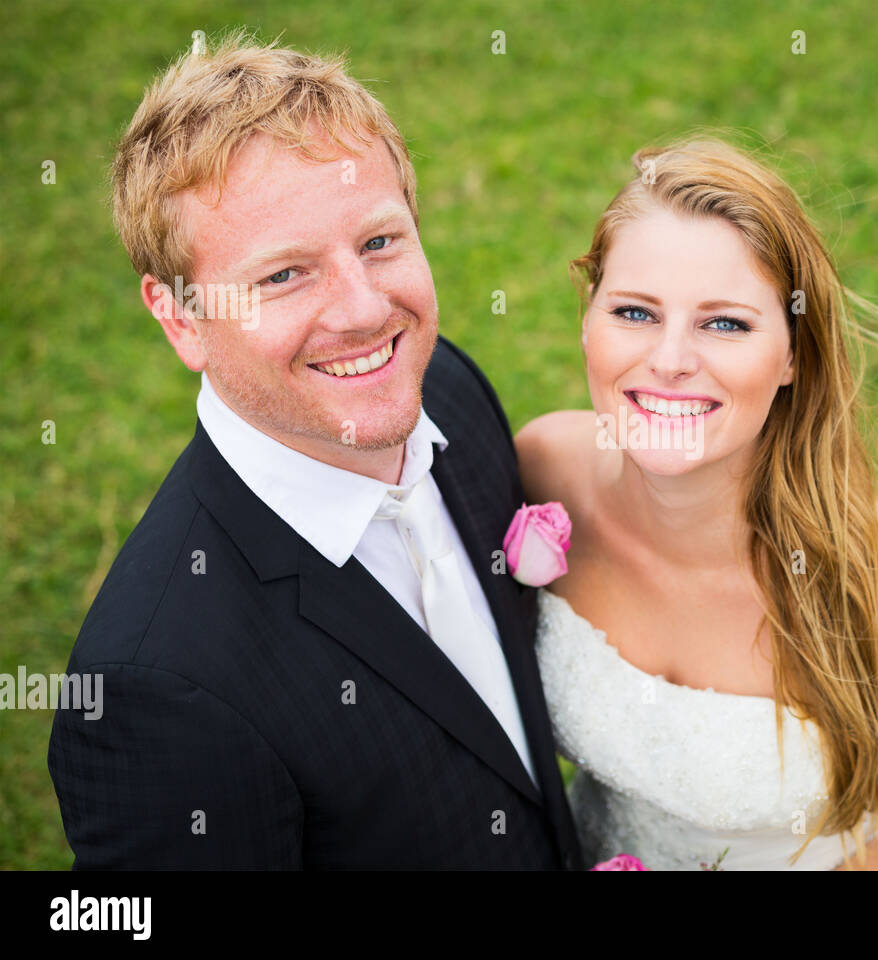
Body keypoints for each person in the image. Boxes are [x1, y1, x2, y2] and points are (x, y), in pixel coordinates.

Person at [47, 34, 582, 869]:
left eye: (379, 242)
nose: (367, 312)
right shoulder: (156, 691)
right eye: (285, 275)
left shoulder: (446, 390)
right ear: (181, 316)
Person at [516, 137, 878, 870]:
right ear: (588, 318)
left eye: (726, 323)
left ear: (794, 355)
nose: (670, 359)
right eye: (635, 312)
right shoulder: (541, 470)